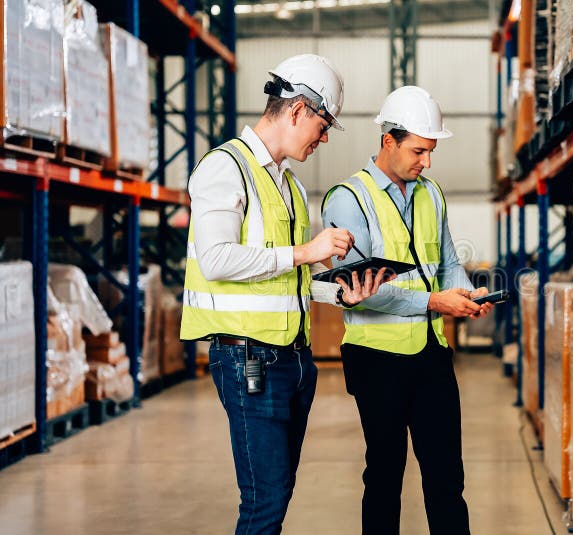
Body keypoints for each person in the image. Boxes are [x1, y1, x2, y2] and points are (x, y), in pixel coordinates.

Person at [180, 54, 390, 535]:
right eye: (323, 125)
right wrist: (306, 251)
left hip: (293, 360)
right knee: (265, 500)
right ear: (297, 110)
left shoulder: (289, 185)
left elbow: (291, 278)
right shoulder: (225, 168)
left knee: (278, 492)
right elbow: (216, 259)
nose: (324, 138)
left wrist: (343, 295)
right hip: (248, 360)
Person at [321, 85, 494, 535]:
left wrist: (467, 295)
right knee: (384, 475)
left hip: (431, 355)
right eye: (419, 151)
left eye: (431, 151)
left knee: (447, 478)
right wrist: (435, 302)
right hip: (376, 358)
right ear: (388, 141)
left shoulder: (430, 193)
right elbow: (359, 288)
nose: (427, 162)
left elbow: (448, 262)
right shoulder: (348, 198)